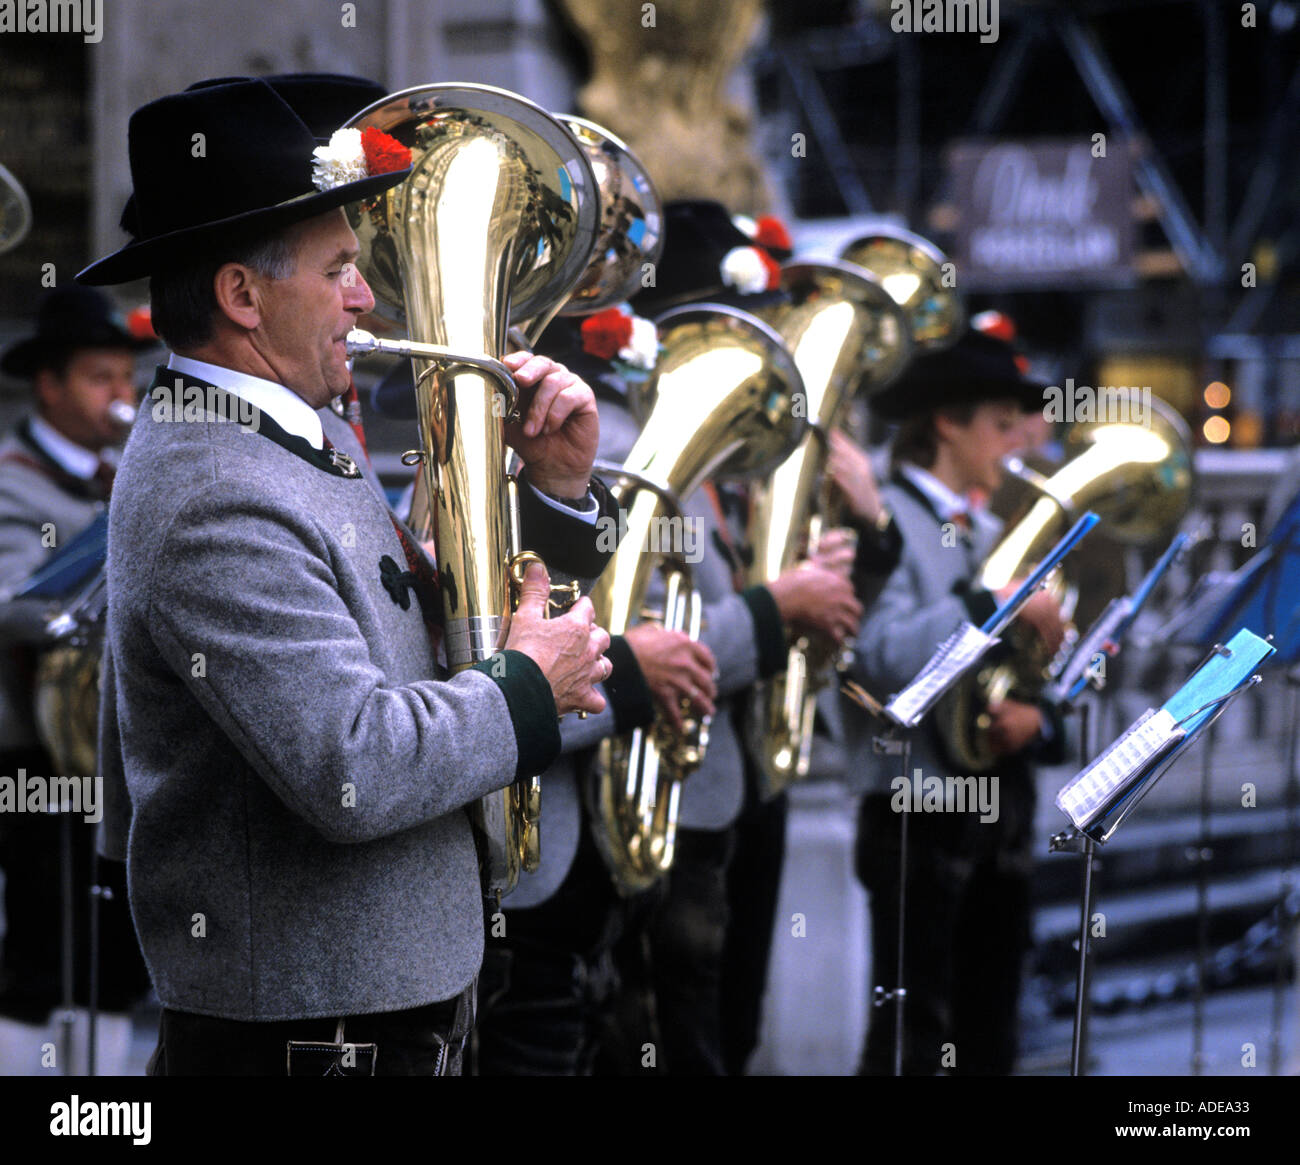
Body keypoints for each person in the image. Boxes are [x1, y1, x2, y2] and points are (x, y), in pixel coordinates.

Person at [76, 76, 615, 1076]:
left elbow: (440, 626)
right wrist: (529, 688)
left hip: (370, 1012)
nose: (367, 298)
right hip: (308, 1037)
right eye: (339, 271)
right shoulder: (217, 490)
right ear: (242, 295)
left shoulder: (289, 434)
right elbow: (350, 765)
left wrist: (552, 495)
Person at [599, 201, 863, 1075]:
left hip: (738, 785)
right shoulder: (620, 445)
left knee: (730, 1034)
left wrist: (826, 573)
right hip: (669, 803)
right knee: (682, 1046)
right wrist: (777, 606)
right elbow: (627, 640)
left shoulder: (731, 469)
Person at [845, 327, 1068, 1076]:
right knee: (912, 1039)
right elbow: (877, 660)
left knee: (989, 1033)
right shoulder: (885, 518)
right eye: (1002, 425)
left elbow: (1020, 673)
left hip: (998, 812)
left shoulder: (987, 527)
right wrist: (990, 603)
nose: (1017, 443)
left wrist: (1041, 712)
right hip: (917, 812)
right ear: (947, 422)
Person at [0, 285, 153, 1056]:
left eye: (127, 380)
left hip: (115, 743)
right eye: (100, 378)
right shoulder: (11, 479)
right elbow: (10, 603)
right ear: (51, 384)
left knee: (115, 952)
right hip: (30, 749)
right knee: (40, 948)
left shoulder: (128, 469)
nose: (120, 397)